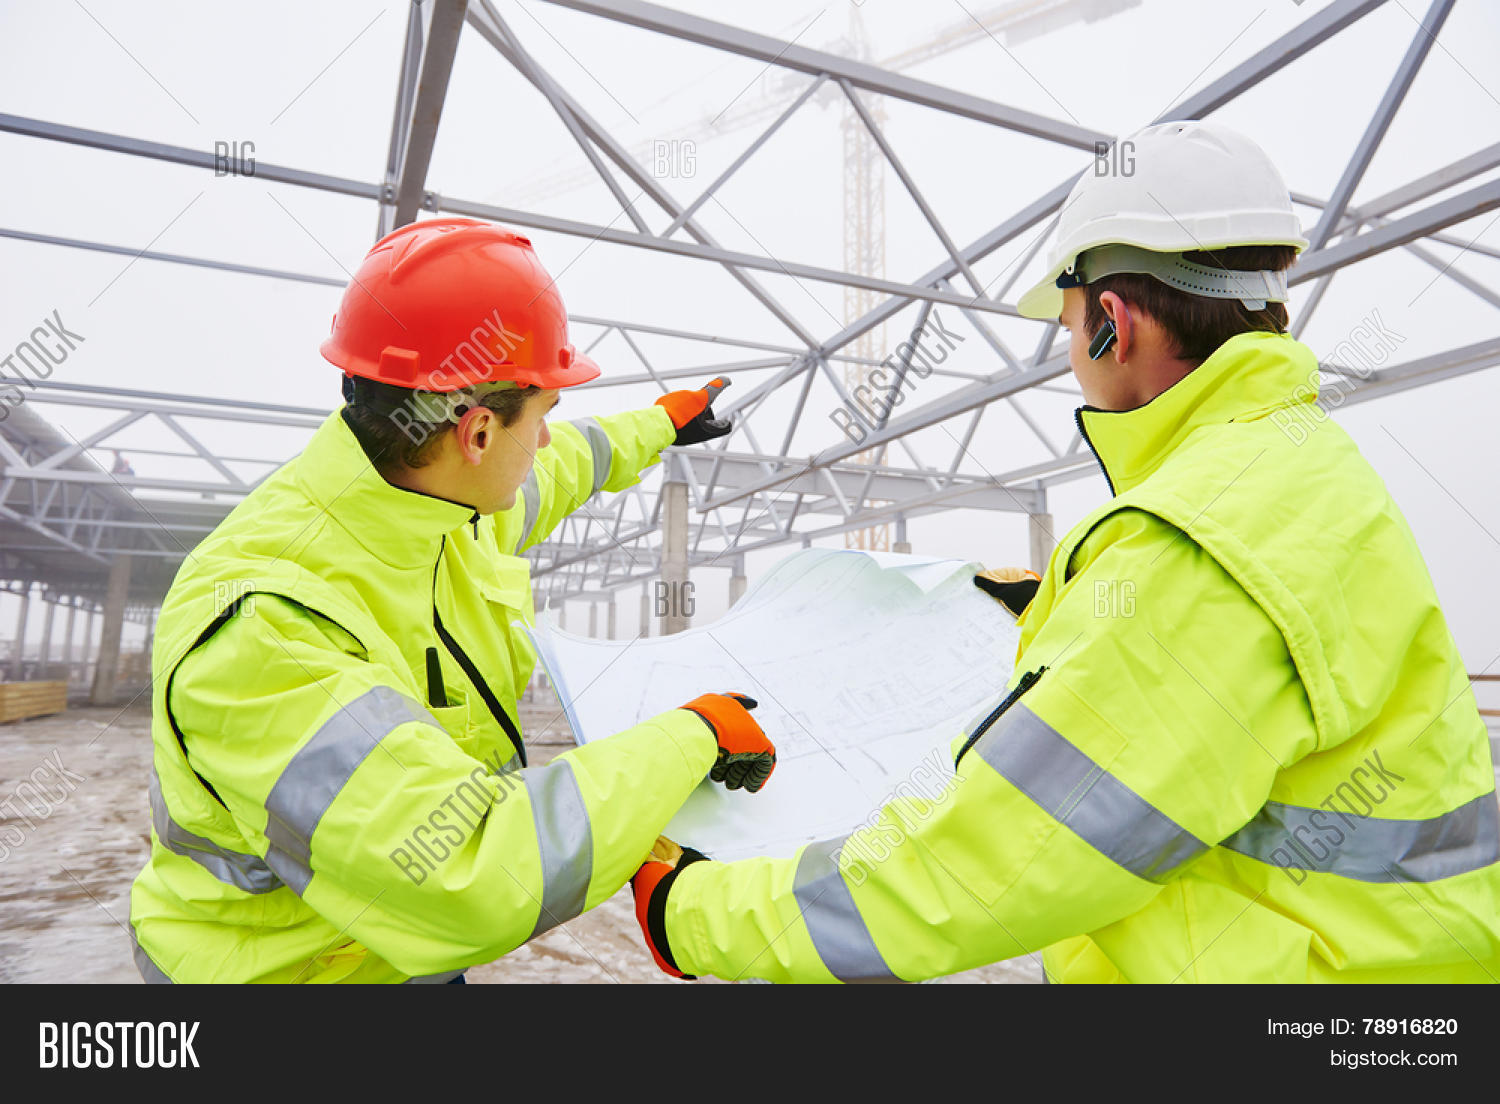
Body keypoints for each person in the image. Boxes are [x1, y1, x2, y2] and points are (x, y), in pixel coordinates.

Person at [630, 121, 1500, 983]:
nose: (1070, 351)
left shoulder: (1191, 547)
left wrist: (692, 913)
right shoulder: (1301, 468)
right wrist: (1079, 619)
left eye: (1070, 322)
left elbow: (976, 870)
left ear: (1114, 324)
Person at [128, 217, 776, 983]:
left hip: (397, 959)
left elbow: (568, 463)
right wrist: (687, 738)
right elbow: (461, 870)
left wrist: (657, 427)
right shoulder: (264, 623)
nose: (543, 444)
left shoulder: (447, 512)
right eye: (539, 418)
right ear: (474, 433)